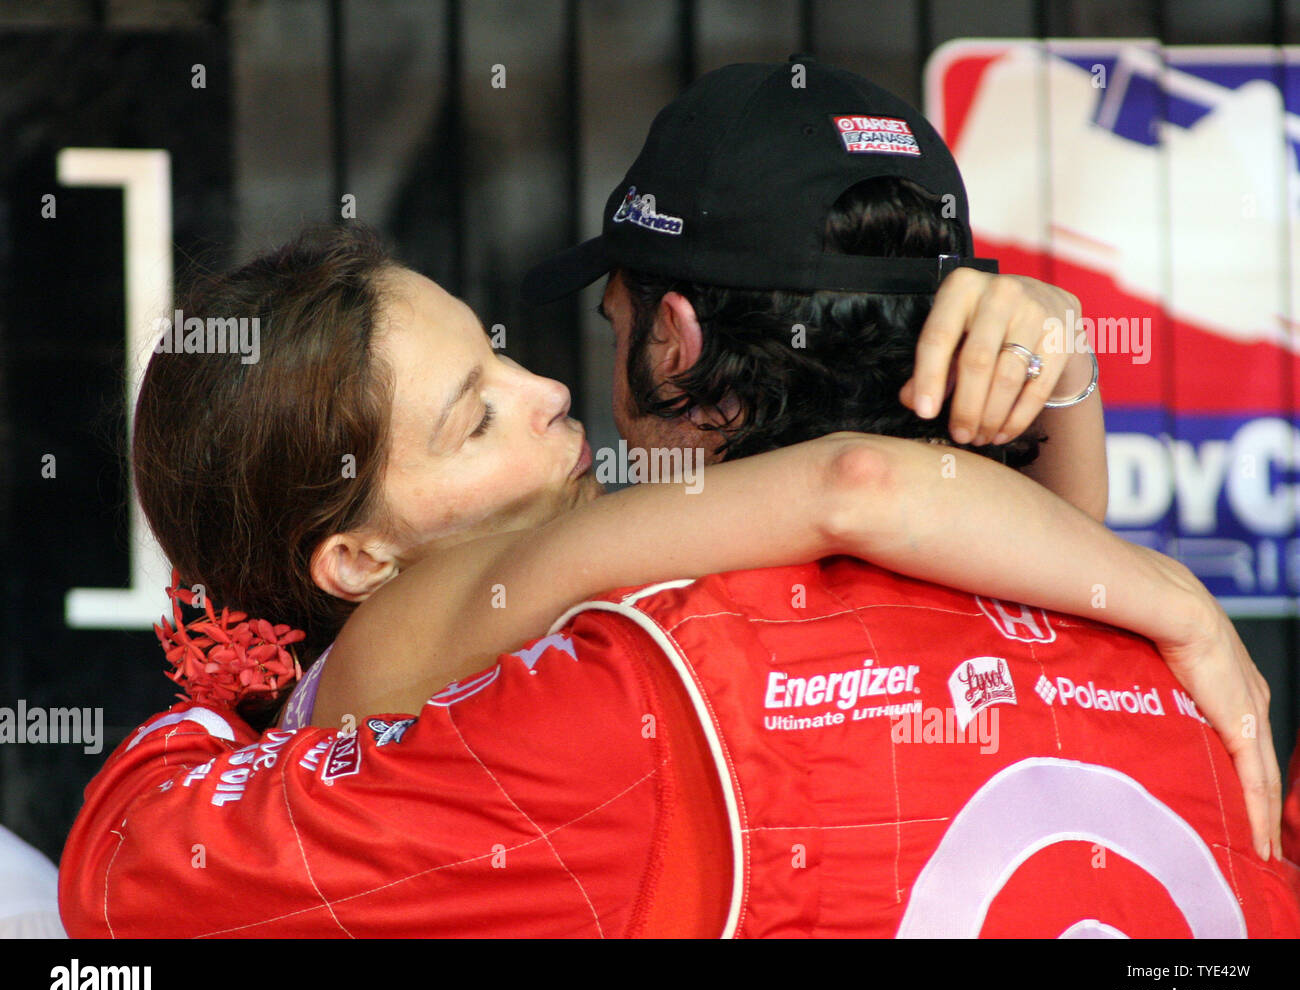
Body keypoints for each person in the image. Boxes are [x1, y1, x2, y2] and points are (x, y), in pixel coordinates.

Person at [59, 60, 1286, 937]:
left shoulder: (619, 685)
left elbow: (128, 880)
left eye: (555, 345)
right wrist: (1134, 531)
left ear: (674, 342)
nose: (548, 389)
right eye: (476, 413)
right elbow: (860, 486)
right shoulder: (1159, 683)